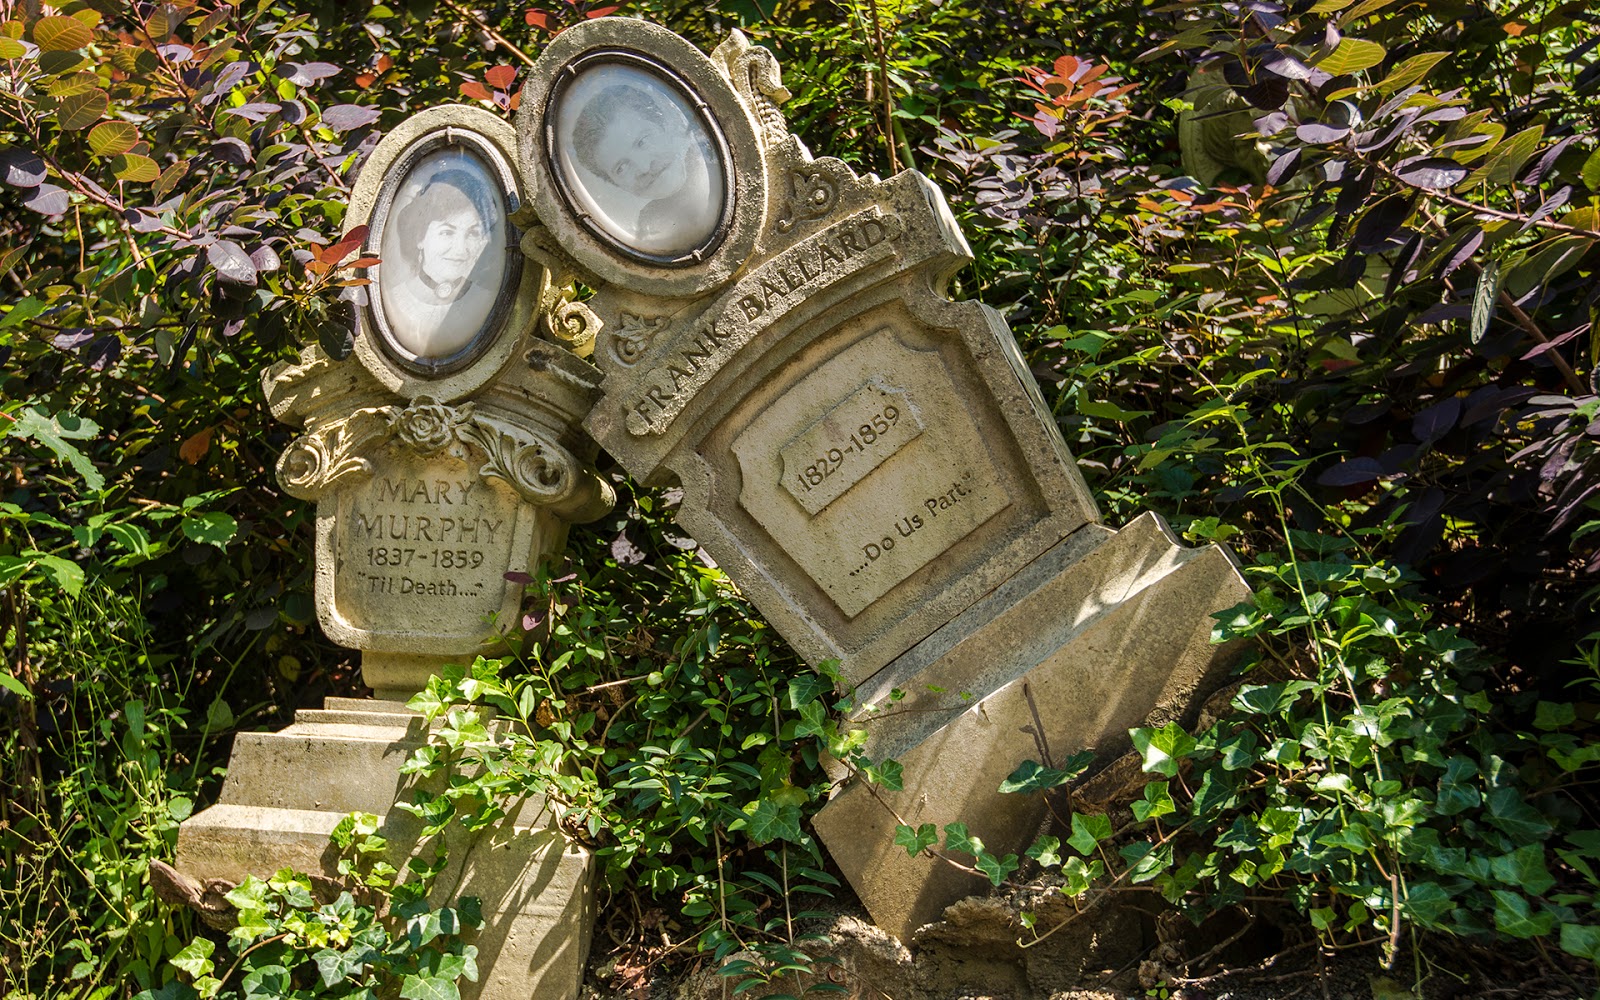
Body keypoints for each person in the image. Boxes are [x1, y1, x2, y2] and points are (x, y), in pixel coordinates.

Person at [567, 81, 720, 256]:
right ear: (615, 183)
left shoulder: (712, 162)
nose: (645, 167)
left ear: (662, 126)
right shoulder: (647, 229)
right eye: (621, 167)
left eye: (642, 142)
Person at [381, 165, 502, 361]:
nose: (460, 250)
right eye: (447, 232)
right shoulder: (395, 300)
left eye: (473, 233)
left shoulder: (490, 301)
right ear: (420, 236)